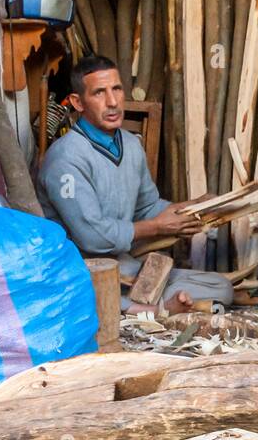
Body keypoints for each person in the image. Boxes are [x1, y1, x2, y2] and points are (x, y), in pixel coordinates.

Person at [37, 55, 235, 314]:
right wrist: (157, 227)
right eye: (99, 93)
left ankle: (143, 305)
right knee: (80, 293)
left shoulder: (130, 144)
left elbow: (147, 207)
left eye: (116, 89)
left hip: (124, 266)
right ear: (78, 102)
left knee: (220, 287)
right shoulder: (65, 157)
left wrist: (190, 209)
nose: (112, 102)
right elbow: (92, 237)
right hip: (79, 268)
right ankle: (150, 310)